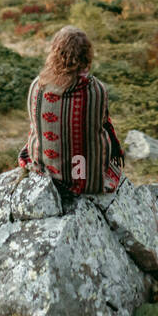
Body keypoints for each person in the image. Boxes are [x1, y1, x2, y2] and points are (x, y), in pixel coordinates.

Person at [18, 26, 124, 194]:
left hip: (45, 168)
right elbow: (102, 124)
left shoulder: (37, 86)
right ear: (86, 55)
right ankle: (79, 172)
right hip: (83, 177)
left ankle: (50, 161)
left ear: (55, 52)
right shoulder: (95, 90)